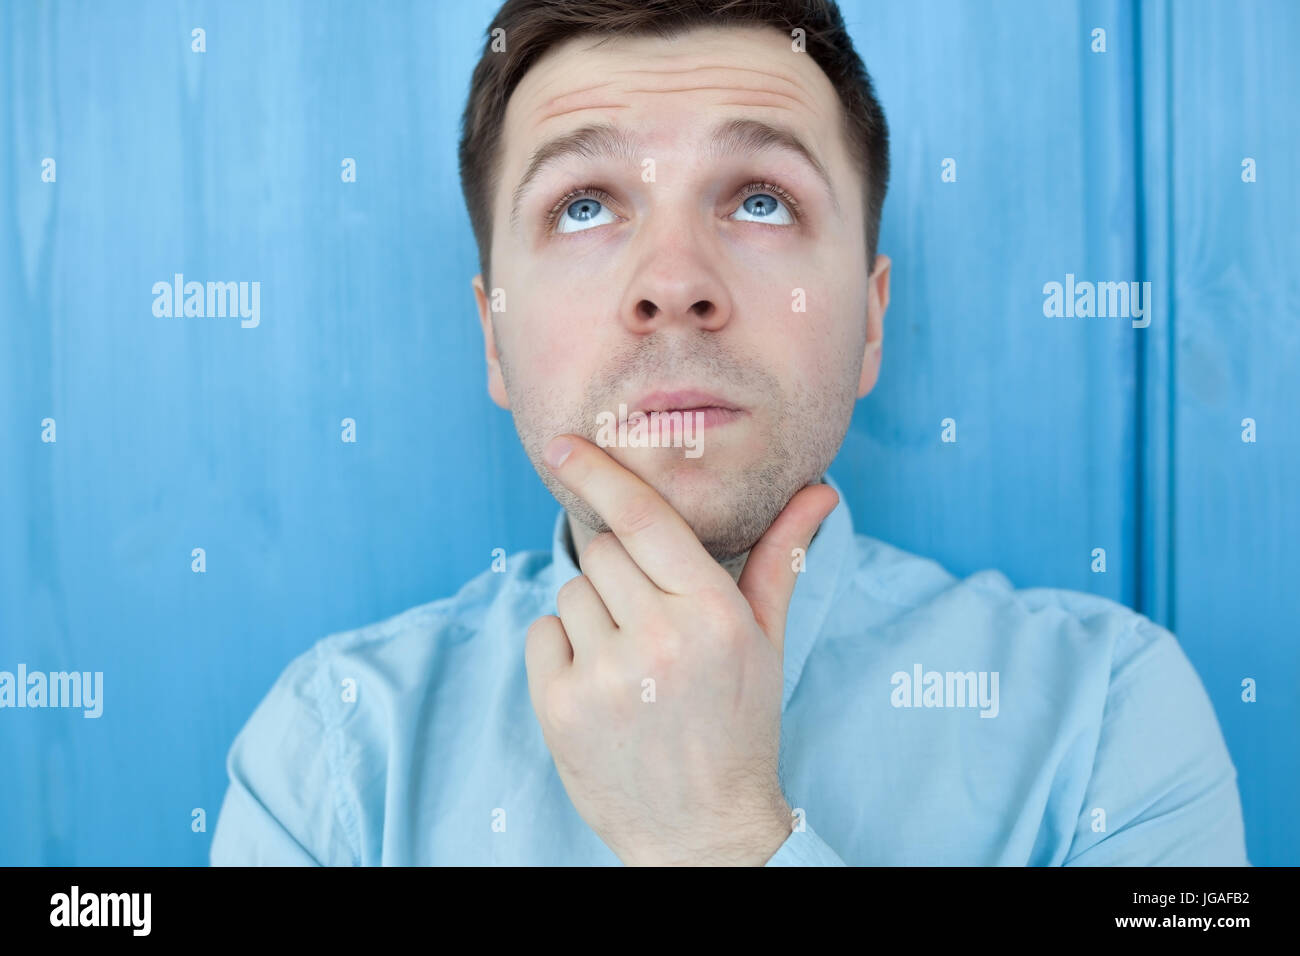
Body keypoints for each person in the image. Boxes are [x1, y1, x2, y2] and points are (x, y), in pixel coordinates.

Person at [210, 0, 1248, 866]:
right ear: (494, 336)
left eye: (758, 198)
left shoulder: (1112, 716)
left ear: (872, 320)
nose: (674, 284)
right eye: (582, 205)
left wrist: (721, 837)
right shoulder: (333, 757)